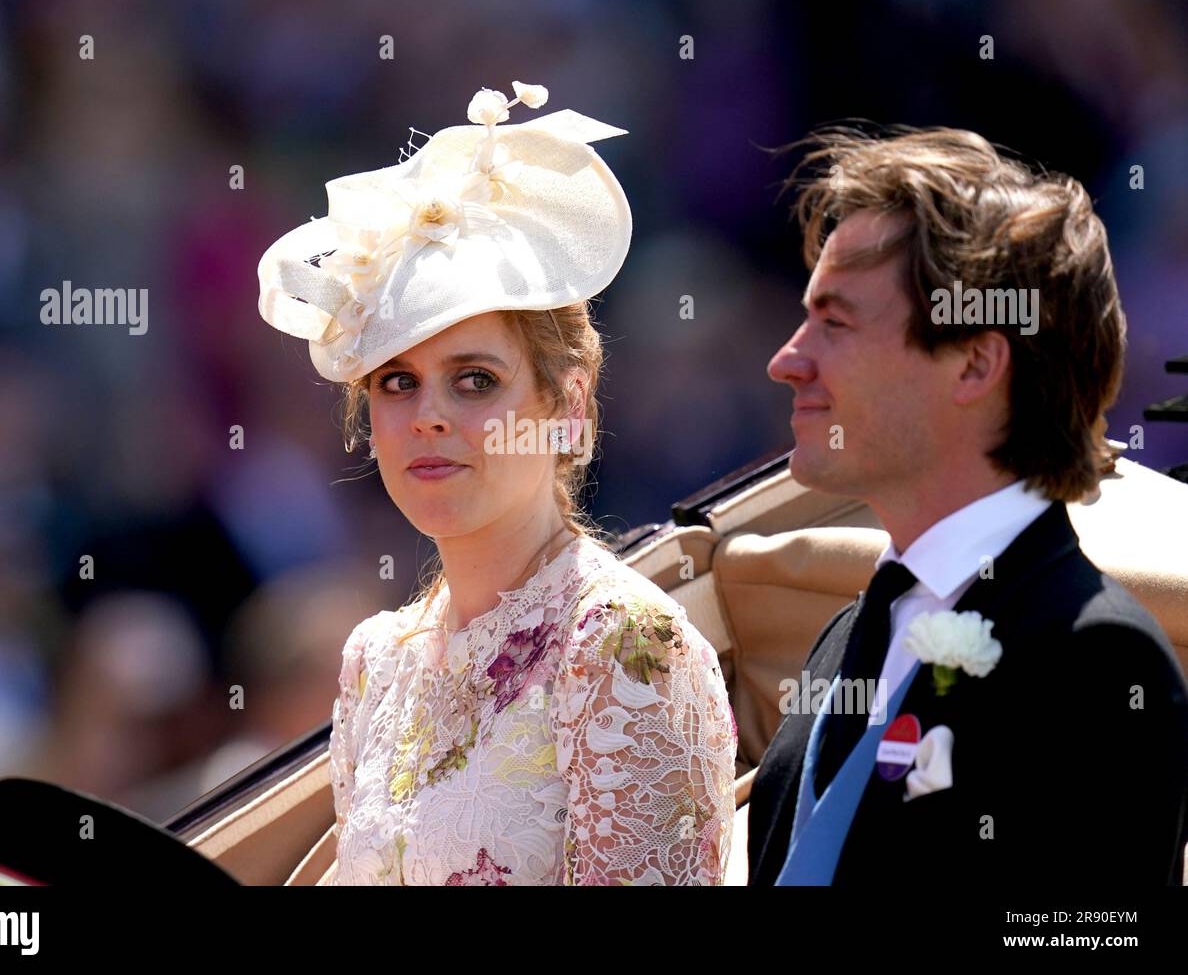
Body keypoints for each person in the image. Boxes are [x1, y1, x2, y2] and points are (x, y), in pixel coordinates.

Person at [256, 81, 737, 885]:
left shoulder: (621, 644)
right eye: (397, 382)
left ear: (567, 401)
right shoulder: (377, 661)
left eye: (475, 380)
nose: (429, 416)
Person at [746, 126, 1188, 886]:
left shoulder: (1100, 661)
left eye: (836, 321)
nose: (787, 360)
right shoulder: (846, 635)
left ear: (977, 360)